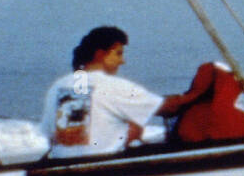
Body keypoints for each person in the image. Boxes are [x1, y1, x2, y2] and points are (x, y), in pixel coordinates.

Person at [41, 26, 198, 158]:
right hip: (104, 169)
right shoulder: (111, 86)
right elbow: (168, 107)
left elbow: (50, 134)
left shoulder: (57, 87)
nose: (122, 61)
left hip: (64, 170)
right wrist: (199, 93)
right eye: (118, 53)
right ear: (100, 54)